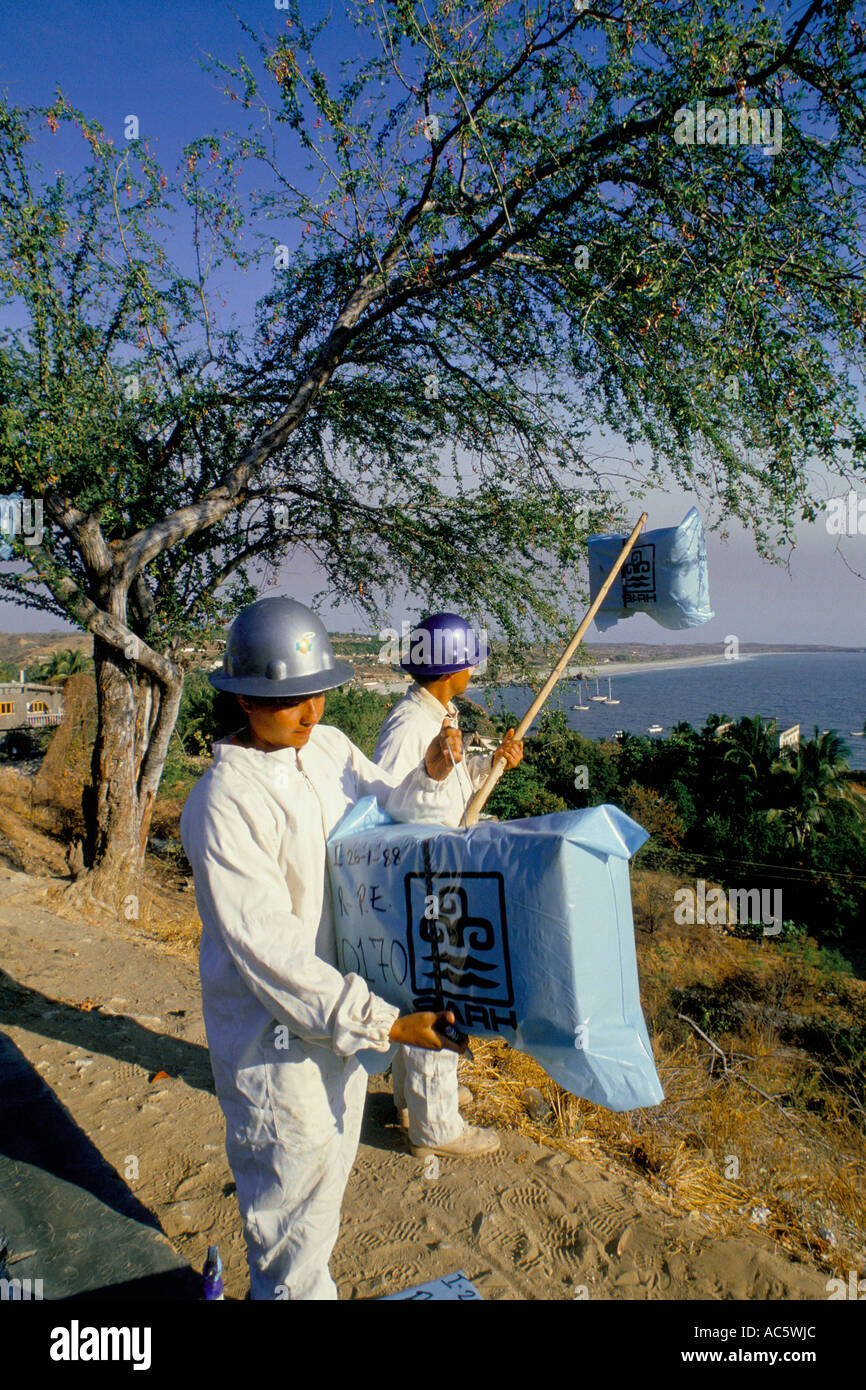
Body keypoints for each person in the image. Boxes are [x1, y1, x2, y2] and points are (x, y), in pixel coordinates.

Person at [180, 596, 467, 1300]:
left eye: (317, 696)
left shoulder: (328, 749)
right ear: (245, 698)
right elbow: (269, 951)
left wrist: (428, 774)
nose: (311, 715)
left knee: (320, 1210)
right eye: (291, 703)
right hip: (275, 1052)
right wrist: (385, 1023)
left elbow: (388, 815)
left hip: (335, 1034)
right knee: (291, 1237)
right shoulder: (224, 803)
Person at [374, 612, 524, 1159]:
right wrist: (434, 776)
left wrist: (491, 763)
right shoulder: (410, 725)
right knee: (441, 996)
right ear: (450, 667)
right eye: (469, 659)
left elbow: (447, 779)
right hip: (425, 880)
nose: (474, 667)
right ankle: (436, 1128)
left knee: (419, 991)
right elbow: (389, 801)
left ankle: (410, 1100)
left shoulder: (440, 713)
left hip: (437, 875)